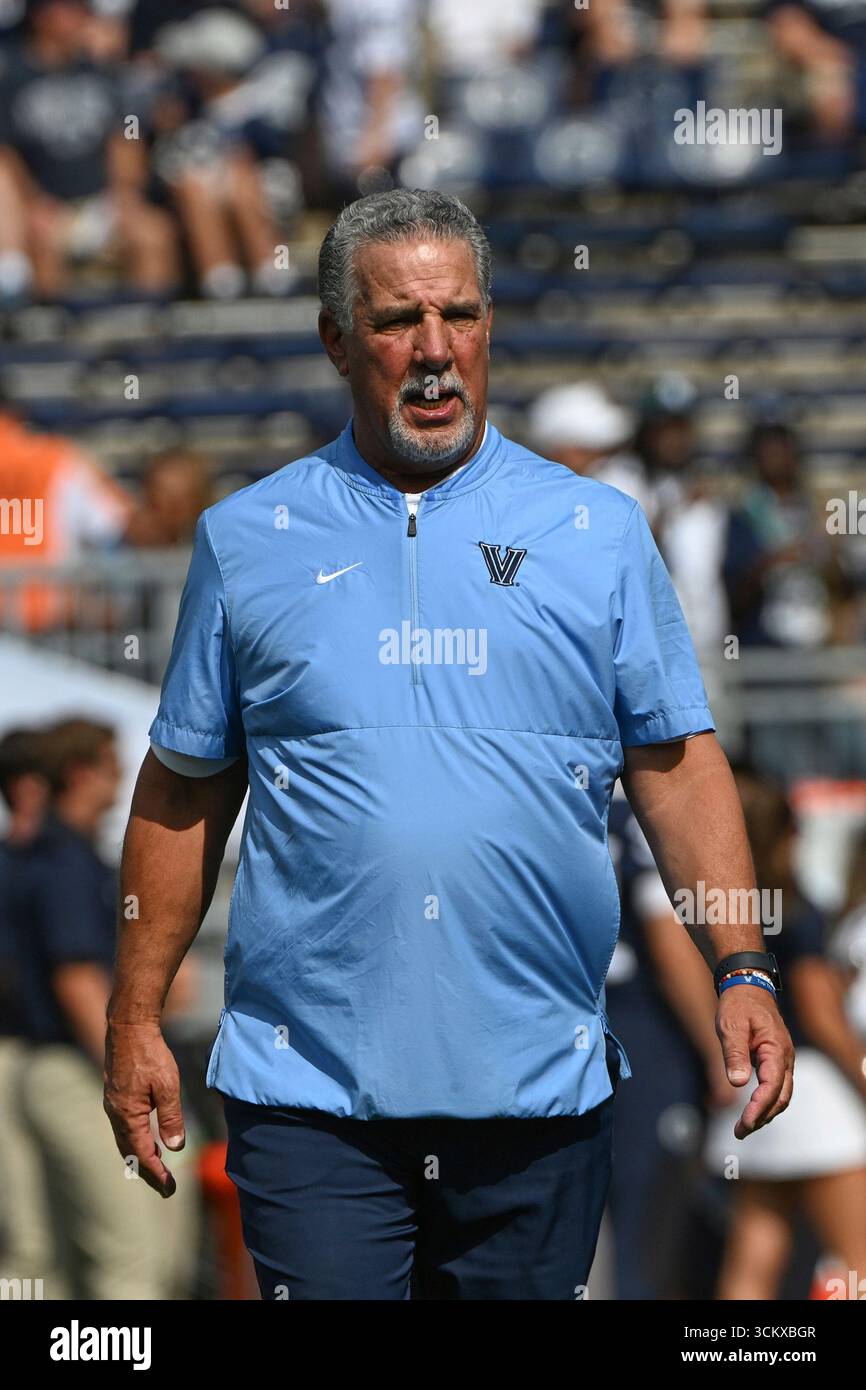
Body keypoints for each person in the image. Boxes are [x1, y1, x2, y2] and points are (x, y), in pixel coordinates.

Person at [105, 188, 793, 1302]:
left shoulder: (596, 531)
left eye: (458, 315)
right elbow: (182, 788)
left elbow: (675, 765)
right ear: (336, 341)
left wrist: (742, 963)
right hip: (307, 1095)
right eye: (393, 323)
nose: (433, 352)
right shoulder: (246, 538)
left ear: (488, 328)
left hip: (537, 1093)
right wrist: (136, 1015)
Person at [5, 717, 198, 1298]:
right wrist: (127, 1076)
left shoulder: (63, 858)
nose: (123, 781)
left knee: (45, 1261)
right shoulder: (66, 864)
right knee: (133, 1260)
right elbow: (76, 982)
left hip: (54, 1066)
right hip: (80, 1070)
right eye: (115, 766)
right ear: (80, 773)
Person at [705, 771, 866, 1300]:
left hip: (754, 1091)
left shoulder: (728, 913)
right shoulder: (798, 913)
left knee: (753, 1260)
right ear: (789, 832)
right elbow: (819, 1016)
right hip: (813, 1095)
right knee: (858, 1261)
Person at [0, 0, 178, 300]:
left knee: (153, 233)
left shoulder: (103, 75)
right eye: (71, 10)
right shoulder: (12, 78)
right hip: (46, 205)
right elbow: (7, 154)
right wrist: (32, 203)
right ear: (43, 16)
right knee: (43, 237)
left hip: (102, 202)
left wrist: (126, 194)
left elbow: (126, 134)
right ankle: (53, 336)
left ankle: (148, 333)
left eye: (83, 11)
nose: (81, 19)